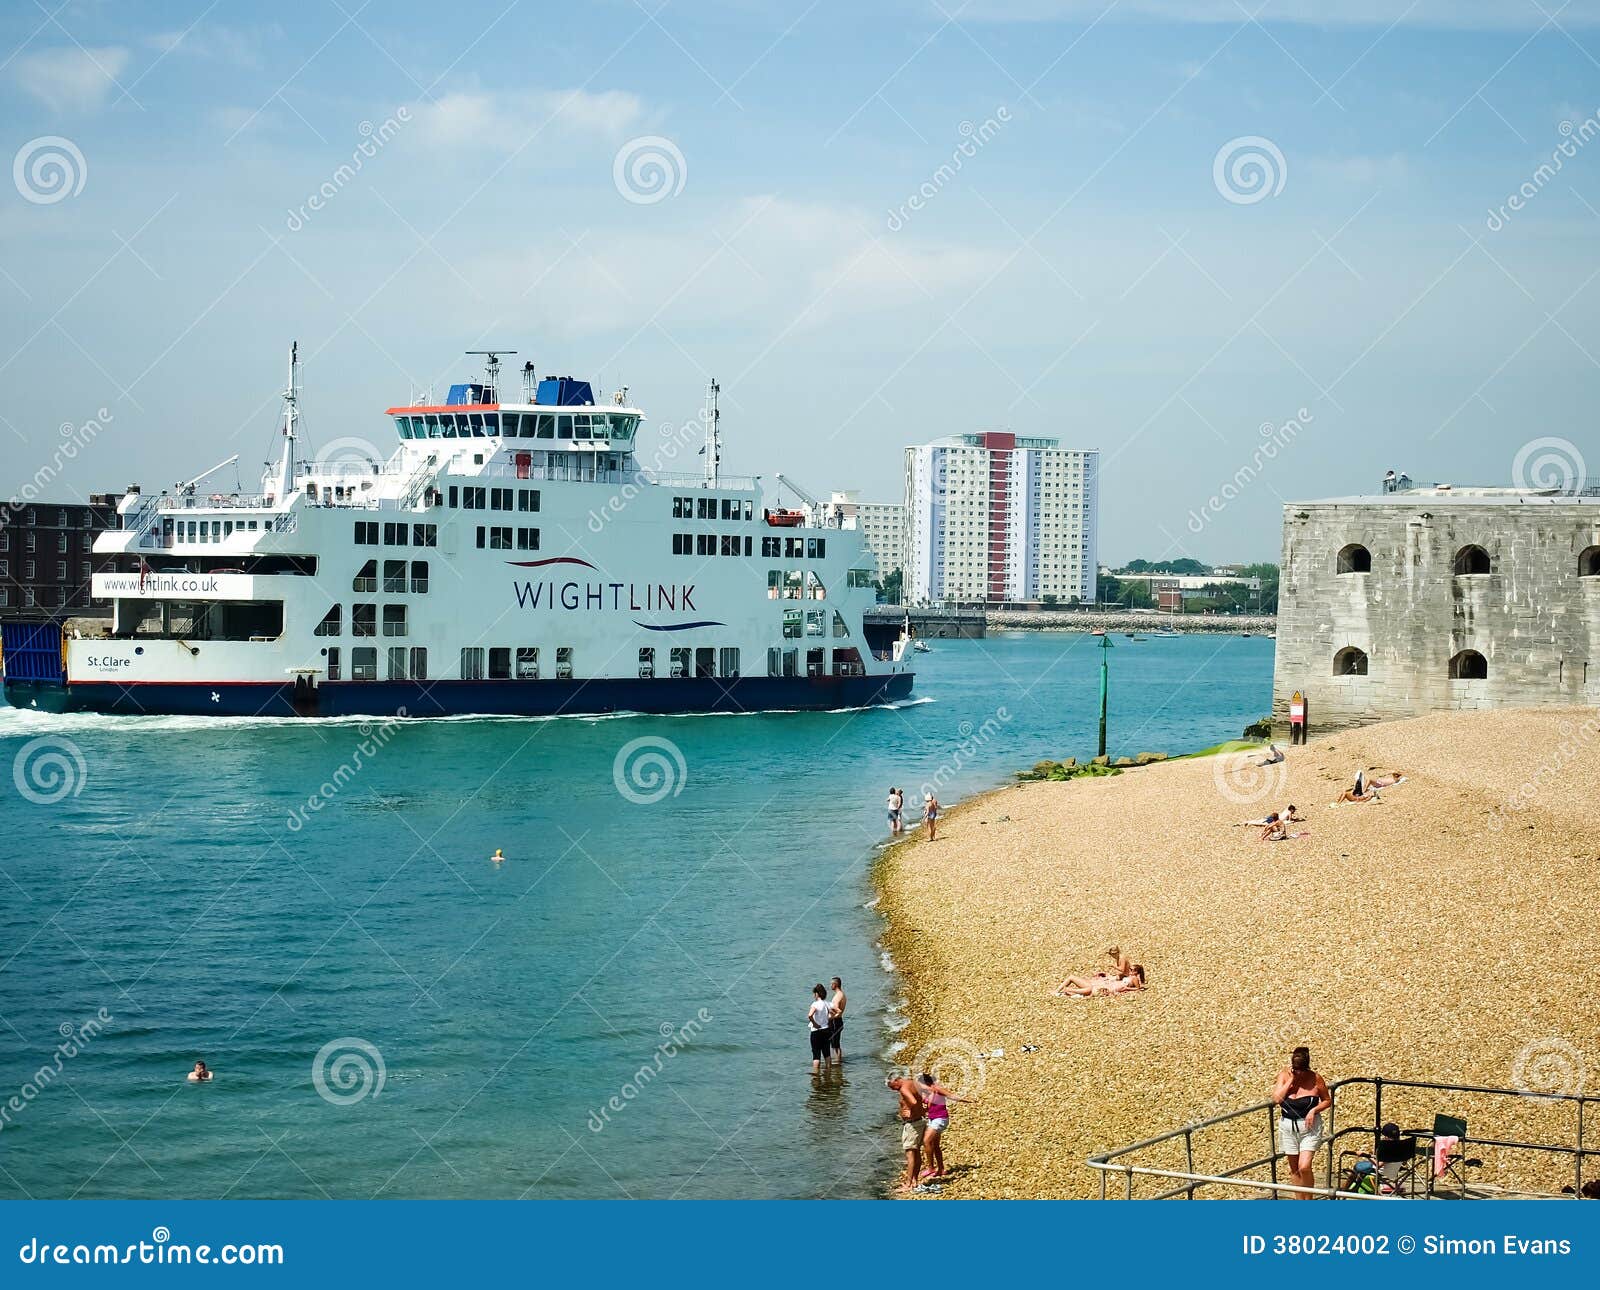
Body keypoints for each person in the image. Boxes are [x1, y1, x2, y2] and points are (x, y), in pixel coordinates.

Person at [1273, 1046, 1332, 1199]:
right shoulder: (1285, 1076)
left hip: (1309, 1128)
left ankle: (1309, 1200)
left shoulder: (1315, 1078)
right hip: (1288, 1127)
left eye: (1301, 1070)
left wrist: (1314, 1110)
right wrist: (1291, 1081)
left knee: (1304, 1166)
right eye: (1296, 1070)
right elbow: (1277, 1099)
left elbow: (1327, 1100)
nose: (1299, 1073)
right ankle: (1300, 1201)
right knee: (1294, 1169)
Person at [918, 1071, 974, 1180]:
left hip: (941, 1118)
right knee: (935, 1145)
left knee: (926, 1141)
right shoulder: (927, 1092)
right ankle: (941, 1169)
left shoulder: (937, 1089)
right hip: (932, 1119)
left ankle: (930, 1168)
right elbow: (925, 1107)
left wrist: (968, 1100)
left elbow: (951, 1096)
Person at [886, 1072, 928, 1190]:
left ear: (896, 1080)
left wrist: (910, 1110)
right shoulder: (912, 1082)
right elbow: (923, 1095)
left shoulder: (904, 1088)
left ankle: (908, 1184)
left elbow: (913, 1102)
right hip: (920, 1121)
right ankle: (914, 1180)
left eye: (892, 1086)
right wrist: (922, 1110)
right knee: (916, 1152)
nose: (893, 1090)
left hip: (912, 1124)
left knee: (910, 1153)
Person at [1054, 964, 1145, 996]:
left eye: (1132, 970)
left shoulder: (1134, 978)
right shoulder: (1128, 976)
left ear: (1137, 972)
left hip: (1112, 989)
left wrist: (1126, 989)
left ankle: (1069, 990)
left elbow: (1138, 989)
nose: (1130, 971)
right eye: (1130, 969)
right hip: (1109, 985)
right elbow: (1116, 977)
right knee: (1072, 977)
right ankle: (1057, 991)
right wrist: (1106, 975)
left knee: (1091, 989)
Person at [806, 984, 832, 1074]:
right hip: (826, 1030)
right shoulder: (827, 1003)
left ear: (817, 994)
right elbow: (835, 1012)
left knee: (816, 1055)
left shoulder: (815, 1004)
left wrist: (815, 1024)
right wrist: (829, 1020)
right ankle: (828, 1073)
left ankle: (816, 1075)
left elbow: (809, 1015)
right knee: (827, 1053)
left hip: (816, 1031)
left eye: (814, 993)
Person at [828, 976, 847, 1064]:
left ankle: (838, 1062)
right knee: (835, 1043)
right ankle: (837, 1060)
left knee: (835, 1044)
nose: (830, 985)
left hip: (835, 1021)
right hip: (837, 1021)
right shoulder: (841, 994)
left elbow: (837, 1010)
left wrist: (831, 1016)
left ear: (835, 984)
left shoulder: (838, 996)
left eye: (831, 984)